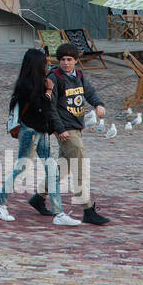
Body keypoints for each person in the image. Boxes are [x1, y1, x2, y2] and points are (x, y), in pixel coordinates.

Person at [0, 48, 80, 226]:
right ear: (36, 64)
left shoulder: (39, 81)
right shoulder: (27, 85)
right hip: (30, 132)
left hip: (42, 132)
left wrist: (53, 128)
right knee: (21, 168)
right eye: (44, 62)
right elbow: (41, 107)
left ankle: (59, 213)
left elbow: (46, 112)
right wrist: (48, 92)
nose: (47, 65)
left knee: (52, 171)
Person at [47, 42, 110, 226]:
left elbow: (90, 92)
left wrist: (98, 104)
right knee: (79, 167)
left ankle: (39, 196)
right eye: (62, 60)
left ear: (76, 60)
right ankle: (87, 209)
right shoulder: (54, 77)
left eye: (69, 59)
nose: (66, 63)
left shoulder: (79, 75)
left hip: (76, 126)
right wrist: (59, 129)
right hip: (66, 130)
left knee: (63, 168)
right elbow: (50, 107)